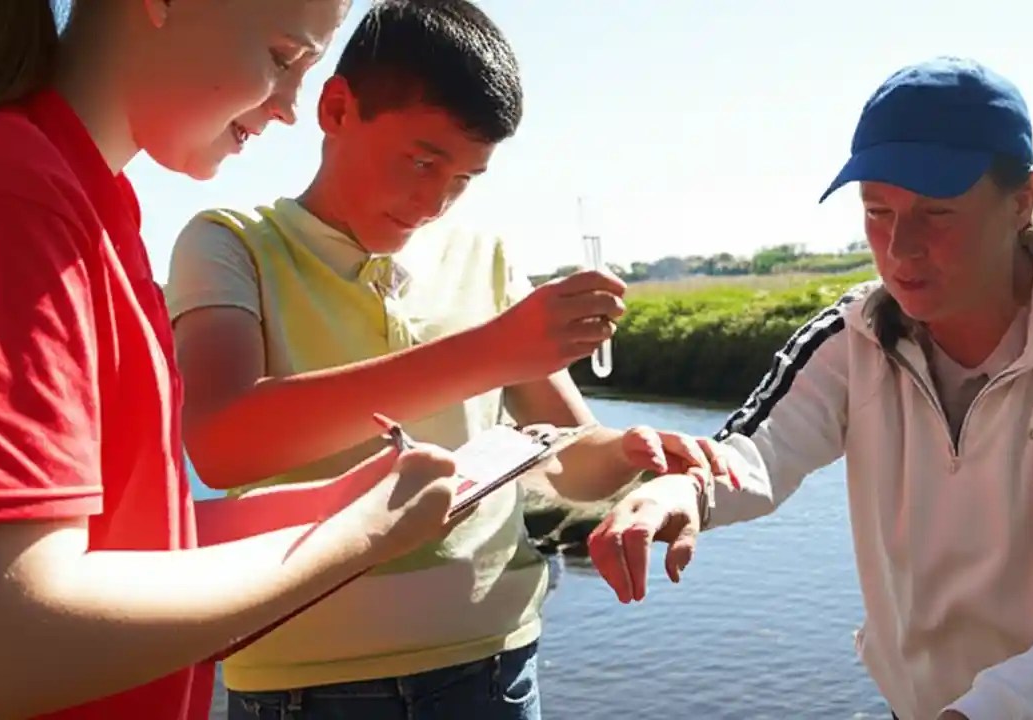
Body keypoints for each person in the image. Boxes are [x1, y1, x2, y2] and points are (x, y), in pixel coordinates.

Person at [587, 56, 1033, 719]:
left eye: (937, 212)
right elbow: (757, 449)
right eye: (877, 211)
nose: (900, 248)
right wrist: (683, 488)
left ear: (1022, 201)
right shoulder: (853, 336)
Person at [163, 2, 714, 718]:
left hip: (495, 669)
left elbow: (564, 454)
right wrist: (491, 351)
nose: (434, 201)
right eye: (422, 160)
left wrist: (633, 458)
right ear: (336, 108)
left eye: (464, 178)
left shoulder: (486, 260)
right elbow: (222, 442)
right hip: (299, 683)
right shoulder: (229, 244)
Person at [0, 1, 483, 718]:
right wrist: (357, 541)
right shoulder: (8, 192)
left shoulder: (96, 205)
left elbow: (129, 542)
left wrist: (329, 510)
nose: (292, 108)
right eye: (283, 57)